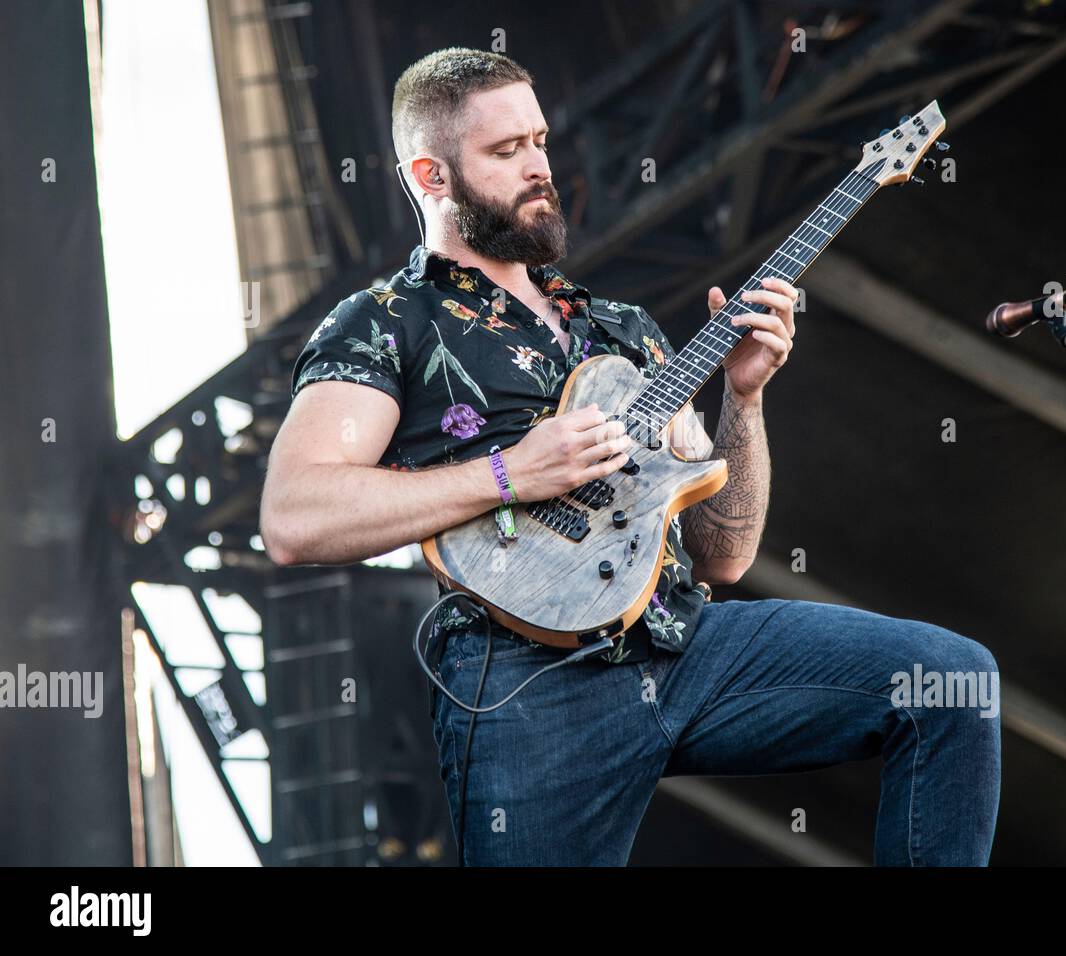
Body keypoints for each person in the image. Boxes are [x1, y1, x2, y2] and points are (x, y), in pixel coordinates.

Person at [259, 47, 1000, 866]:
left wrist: (744, 400)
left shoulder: (623, 328)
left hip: (685, 649)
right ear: (432, 176)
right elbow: (295, 518)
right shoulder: (386, 321)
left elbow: (723, 554)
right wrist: (510, 473)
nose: (540, 167)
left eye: (540, 141)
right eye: (506, 152)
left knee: (952, 682)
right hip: (523, 685)